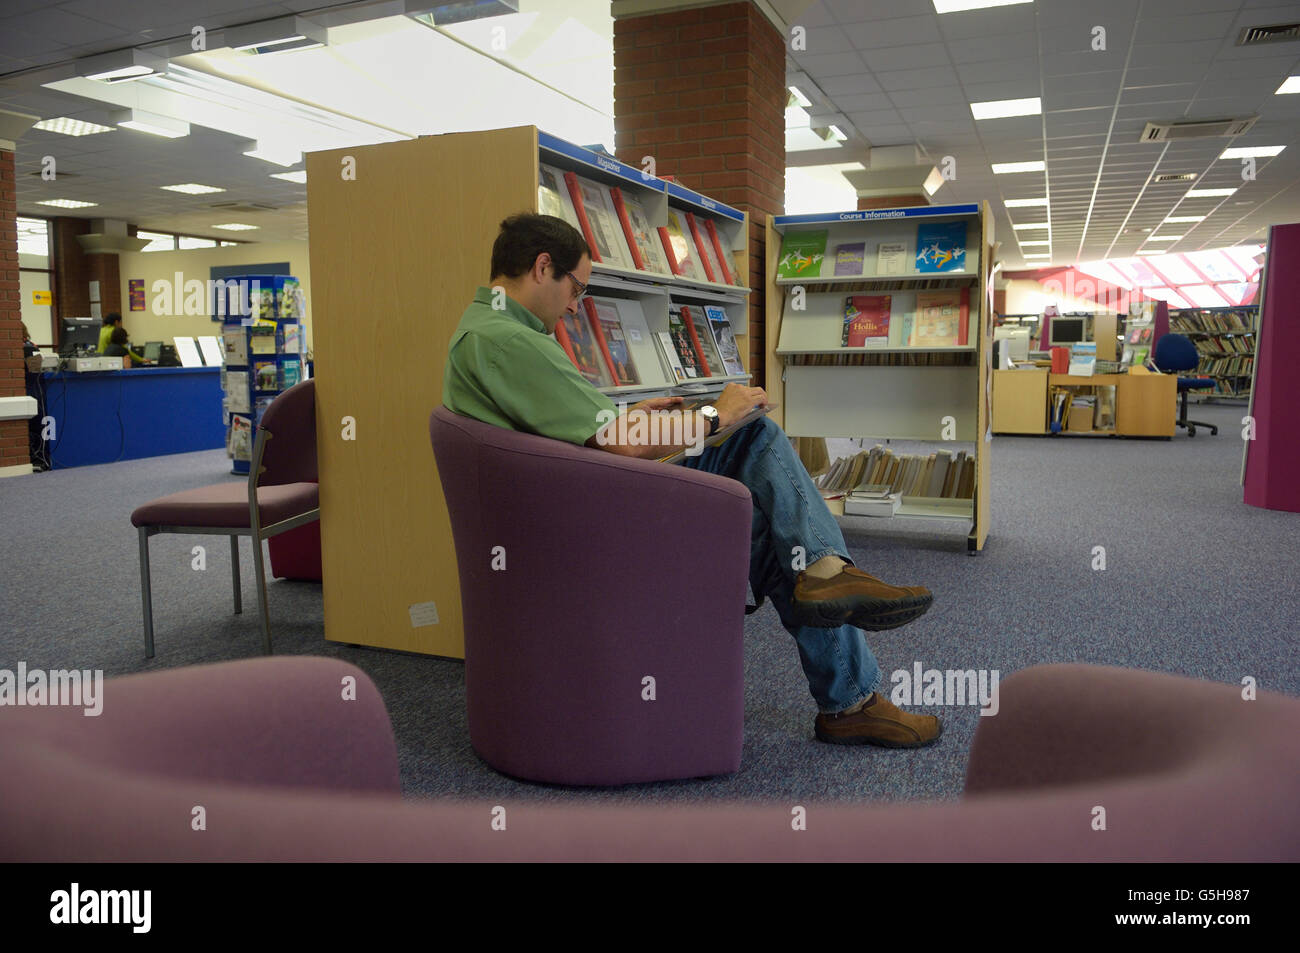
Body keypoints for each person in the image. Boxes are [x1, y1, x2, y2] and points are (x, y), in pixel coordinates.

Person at [443, 213, 941, 748]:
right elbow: (622, 441)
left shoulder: (491, 332)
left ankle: (844, 667)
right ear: (544, 267)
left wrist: (633, 412)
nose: (574, 306)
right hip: (591, 523)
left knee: (771, 534)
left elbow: (587, 429)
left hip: (578, 504)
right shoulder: (506, 341)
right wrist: (713, 418)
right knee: (755, 436)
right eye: (576, 289)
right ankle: (834, 605)